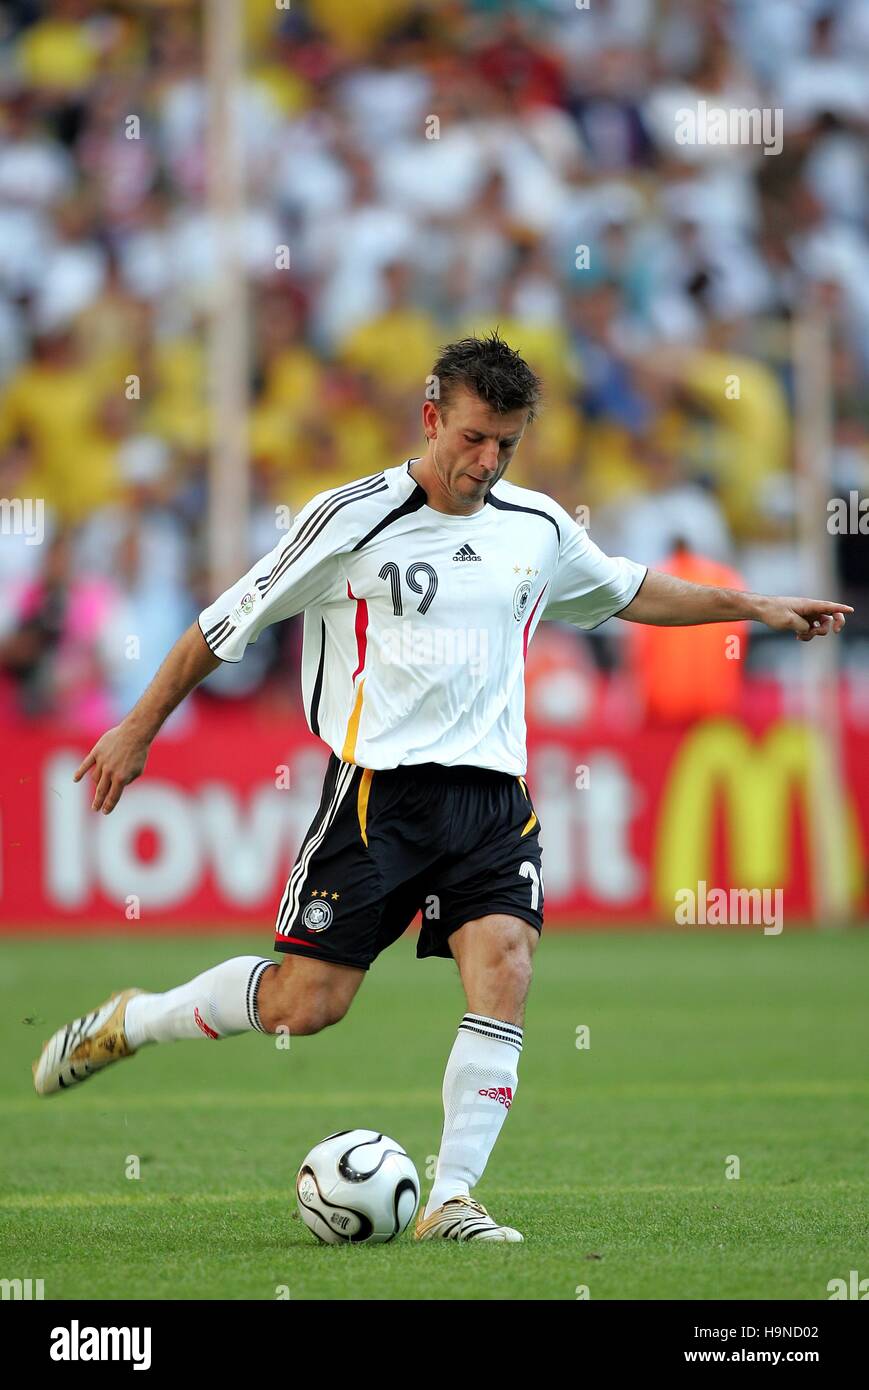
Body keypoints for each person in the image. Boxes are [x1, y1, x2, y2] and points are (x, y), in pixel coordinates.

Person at [32, 333, 852, 1242]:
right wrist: (138, 728)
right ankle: (138, 1020)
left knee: (505, 964)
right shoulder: (351, 518)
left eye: (505, 443)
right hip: (378, 796)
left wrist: (752, 606)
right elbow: (221, 625)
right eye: (472, 438)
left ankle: (451, 1197)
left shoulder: (534, 527)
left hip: (495, 800)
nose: (487, 461)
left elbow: (626, 590)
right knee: (310, 1005)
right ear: (431, 418)